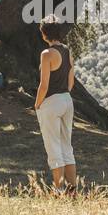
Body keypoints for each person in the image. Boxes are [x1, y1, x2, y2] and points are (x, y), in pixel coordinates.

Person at [33, 15, 77, 194]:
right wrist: (64, 94)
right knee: (67, 145)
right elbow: (71, 80)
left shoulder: (47, 54)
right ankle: (72, 190)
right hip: (67, 99)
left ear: (44, 34)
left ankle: (57, 190)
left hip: (51, 102)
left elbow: (43, 85)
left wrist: (37, 104)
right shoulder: (67, 51)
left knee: (53, 147)